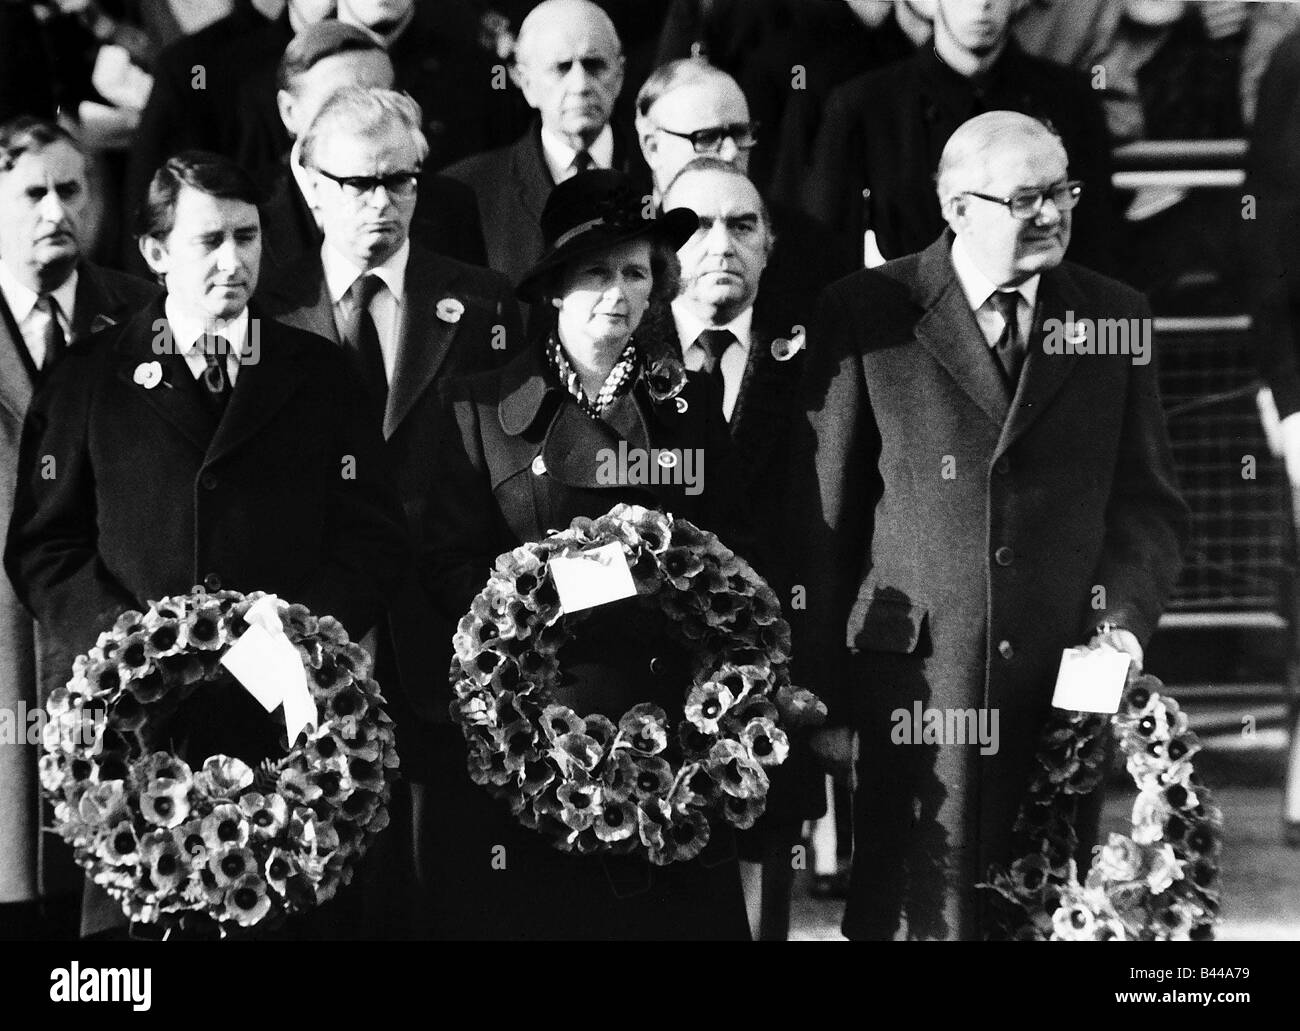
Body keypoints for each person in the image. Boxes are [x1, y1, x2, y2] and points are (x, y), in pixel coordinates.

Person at [787, 111, 1188, 940]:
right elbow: (823, 517)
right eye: (1027, 198)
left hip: (1057, 689)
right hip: (916, 692)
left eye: (1063, 192)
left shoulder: (1115, 317)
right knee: (915, 915)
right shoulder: (872, 311)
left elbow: (1147, 504)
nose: (1051, 213)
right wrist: (822, 695)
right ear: (957, 207)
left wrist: (1118, 631)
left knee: (1042, 912)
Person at [5, 149, 409, 938]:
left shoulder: (318, 373)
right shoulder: (89, 380)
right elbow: (45, 548)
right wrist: (133, 653)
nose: (234, 260)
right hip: (142, 745)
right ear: (156, 254)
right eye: (209, 240)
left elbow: (375, 538)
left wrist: (295, 640)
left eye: (249, 237)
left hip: (288, 739)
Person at [421, 168, 751, 940]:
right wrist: (571, 583)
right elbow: (444, 568)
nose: (617, 292)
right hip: (541, 746)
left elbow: (736, 559)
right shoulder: (481, 407)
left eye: (636, 272)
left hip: (668, 747)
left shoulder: (689, 407)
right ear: (556, 289)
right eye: (597, 273)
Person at [257, 88, 522, 936]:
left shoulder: (483, 304)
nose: (382, 203)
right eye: (360, 182)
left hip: (443, 628)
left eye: (401, 182)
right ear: (309, 181)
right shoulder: (263, 304)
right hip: (309, 629)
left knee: (445, 882)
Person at [0, 116, 159, 940]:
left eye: (71, 189)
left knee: (102, 883)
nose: (55, 209)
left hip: (111, 628)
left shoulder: (141, 315)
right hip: (0, 651)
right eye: (32, 192)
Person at [660, 155, 821, 941]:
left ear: (769, 244)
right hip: (652, 690)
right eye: (695, 226)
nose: (720, 243)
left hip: (775, 684)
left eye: (742, 225)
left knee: (764, 918)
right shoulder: (627, 357)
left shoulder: (822, 360)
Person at [802, 0, 1118, 274]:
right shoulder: (864, 107)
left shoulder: (1071, 102)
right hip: (908, 326)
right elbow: (825, 251)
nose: (982, 5)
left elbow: (1097, 246)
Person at [635, 57, 854, 348]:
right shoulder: (616, 243)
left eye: (739, 134)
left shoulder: (809, 249)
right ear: (653, 148)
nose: (729, 152)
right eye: (707, 137)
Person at [256, 21, 489, 273]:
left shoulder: (448, 206)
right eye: (340, 100)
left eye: (381, 96)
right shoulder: (249, 205)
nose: (367, 113)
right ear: (289, 111)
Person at [442, 0, 645, 286]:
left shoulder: (659, 171)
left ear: (620, 74)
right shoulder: (470, 192)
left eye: (595, 65)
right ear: (525, 82)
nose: (580, 85)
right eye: (561, 68)